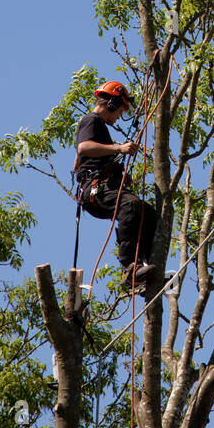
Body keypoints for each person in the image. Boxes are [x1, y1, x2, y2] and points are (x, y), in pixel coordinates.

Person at [75, 80, 158, 292]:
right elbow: (84, 148)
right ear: (111, 104)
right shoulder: (91, 120)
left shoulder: (101, 128)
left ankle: (144, 269)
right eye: (119, 111)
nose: (119, 116)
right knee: (130, 206)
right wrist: (118, 148)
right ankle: (129, 267)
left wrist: (119, 175)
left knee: (148, 213)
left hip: (104, 186)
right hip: (94, 190)